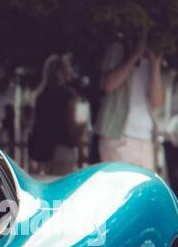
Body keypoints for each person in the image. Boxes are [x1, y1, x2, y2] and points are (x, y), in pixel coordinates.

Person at [95, 32, 164, 170]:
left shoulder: (151, 60)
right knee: (122, 189)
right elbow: (108, 85)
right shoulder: (118, 49)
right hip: (119, 136)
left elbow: (156, 102)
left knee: (144, 190)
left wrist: (156, 65)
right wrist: (134, 55)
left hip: (146, 139)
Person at [28, 53, 81, 176]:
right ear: (61, 71)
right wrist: (80, 149)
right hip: (64, 148)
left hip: (45, 148)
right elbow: (71, 124)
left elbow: (36, 124)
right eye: (68, 68)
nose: (71, 71)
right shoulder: (68, 94)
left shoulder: (41, 95)